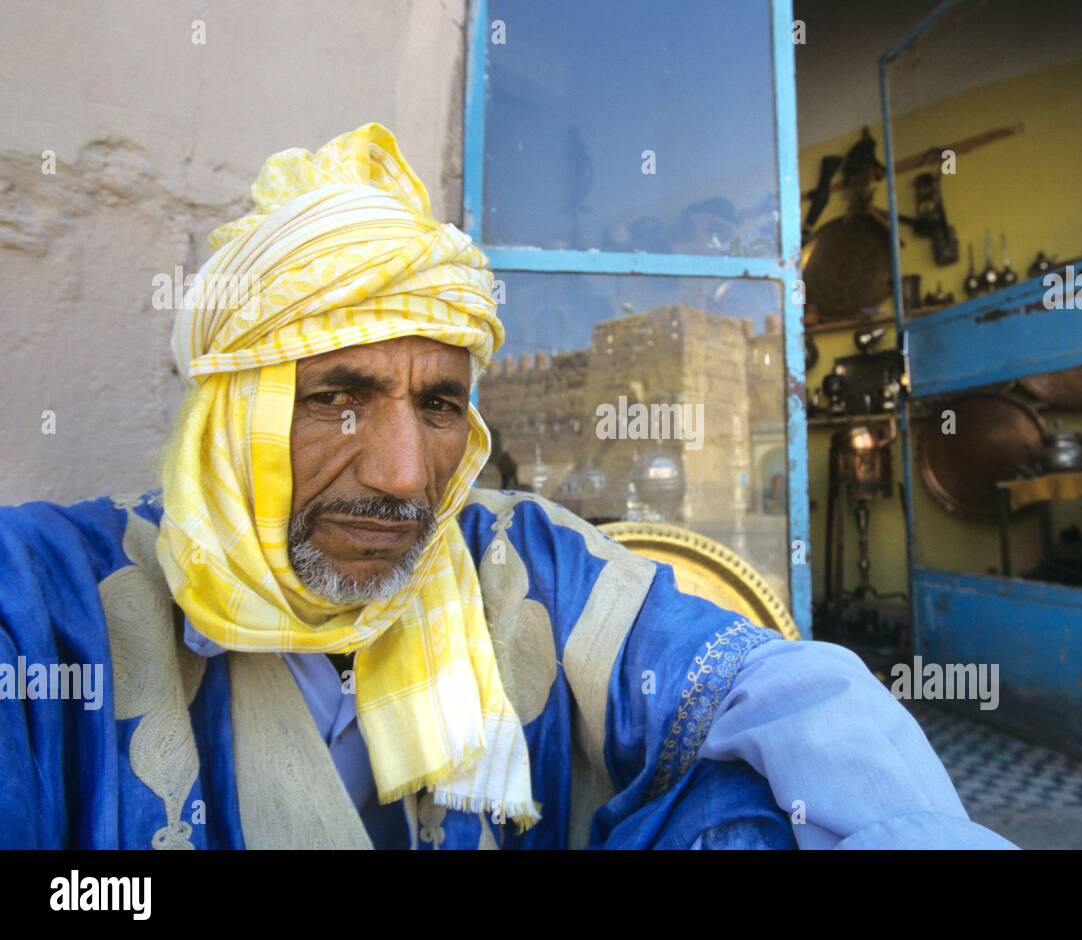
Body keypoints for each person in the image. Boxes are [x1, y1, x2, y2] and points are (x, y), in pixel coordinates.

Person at [0, 123, 1015, 850]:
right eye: (337, 399)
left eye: (439, 407)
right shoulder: (54, 609)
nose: (403, 478)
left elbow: (781, 689)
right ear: (230, 416)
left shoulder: (511, 561)